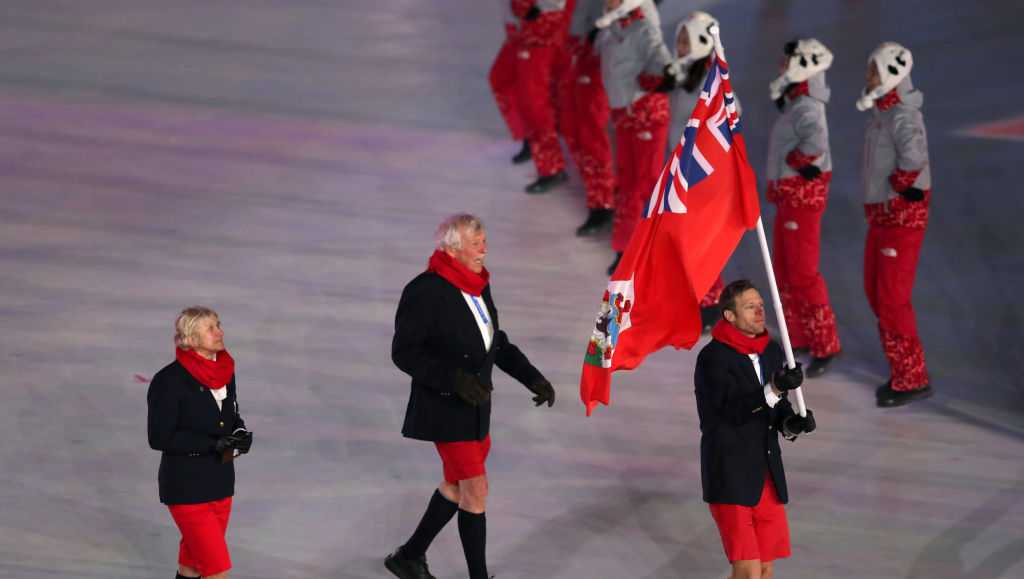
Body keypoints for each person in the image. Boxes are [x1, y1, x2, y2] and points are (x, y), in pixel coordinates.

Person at [385, 214, 556, 579]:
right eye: (476, 243)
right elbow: (404, 352)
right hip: (445, 408)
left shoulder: (478, 284)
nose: (484, 249)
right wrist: (454, 380)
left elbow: (496, 342)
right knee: (476, 490)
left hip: (476, 409)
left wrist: (532, 377)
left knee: (455, 486)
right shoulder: (425, 291)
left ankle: (408, 557)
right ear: (452, 249)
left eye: (484, 241)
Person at [694, 280, 816, 579]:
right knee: (748, 571)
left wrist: (791, 423)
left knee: (763, 569)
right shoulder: (713, 358)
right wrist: (775, 387)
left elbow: (776, 406)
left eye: (760, 304)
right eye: (750, 307)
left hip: (766, 475)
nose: (760, 310)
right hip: (730, 474)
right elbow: (728, 413)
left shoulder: (771, 351)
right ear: (730, 316)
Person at [148, 307, 253, 579]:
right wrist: (213, 444)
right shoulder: (169, 381)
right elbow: (159, 437)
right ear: (191, 337)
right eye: (211, 328)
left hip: (220, 483)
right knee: (217, 569)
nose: (220, 332)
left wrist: (238, 431)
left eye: (219, 325)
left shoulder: (225, 372)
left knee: (193, 564)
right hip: (187, 487)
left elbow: (231, 414)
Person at [857, 42, 933, 407]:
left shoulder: (902, 114)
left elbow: (914, 156)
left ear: (891, 73)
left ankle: (911, 378)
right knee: (876, 291)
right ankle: (902, 368)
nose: (868, 77)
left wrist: (899, 187)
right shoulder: (884, 113)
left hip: (901, 216)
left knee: (891, 298)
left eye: (874, 70)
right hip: (884, 216)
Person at [764, 38, 842, 377]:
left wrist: (797, 162)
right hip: (789, 198)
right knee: (785, 272)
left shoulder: (807, 105)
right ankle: (795, 337)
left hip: (801, 200)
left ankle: (825, 344)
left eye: (787, 61)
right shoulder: (797, 102)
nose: (781, 65)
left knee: (803, 274)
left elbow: (815, 142)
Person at [595, 0, 676, 275]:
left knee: (642, 185)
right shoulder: (614, 27)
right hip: (625, 116)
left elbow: (665, 68)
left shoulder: (644, 29)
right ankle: (627, 249)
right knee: (628, 183)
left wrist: (649, 82)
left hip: (646, 116)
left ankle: (647, 251)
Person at [666, 10, 726, 330]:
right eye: (678, 39)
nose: (679, 46)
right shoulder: (687, 75)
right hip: (682, 170)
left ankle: (711, 303)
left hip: (701, 175)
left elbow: (728, 118)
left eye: (685, 40)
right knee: (685, 240)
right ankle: (696, 299)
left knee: (699, 240)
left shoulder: (712, 81)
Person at [511, 0, 571, 194]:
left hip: (541, 33)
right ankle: (546, 156)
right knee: (542, 100)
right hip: (546, 31)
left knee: (534, 104)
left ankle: (551, 166)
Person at [489, 1, 531, 164]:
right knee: (503, 80)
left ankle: (535, 140)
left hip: (530, 28)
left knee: (526, 86)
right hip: (517, 27)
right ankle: (531, 137)